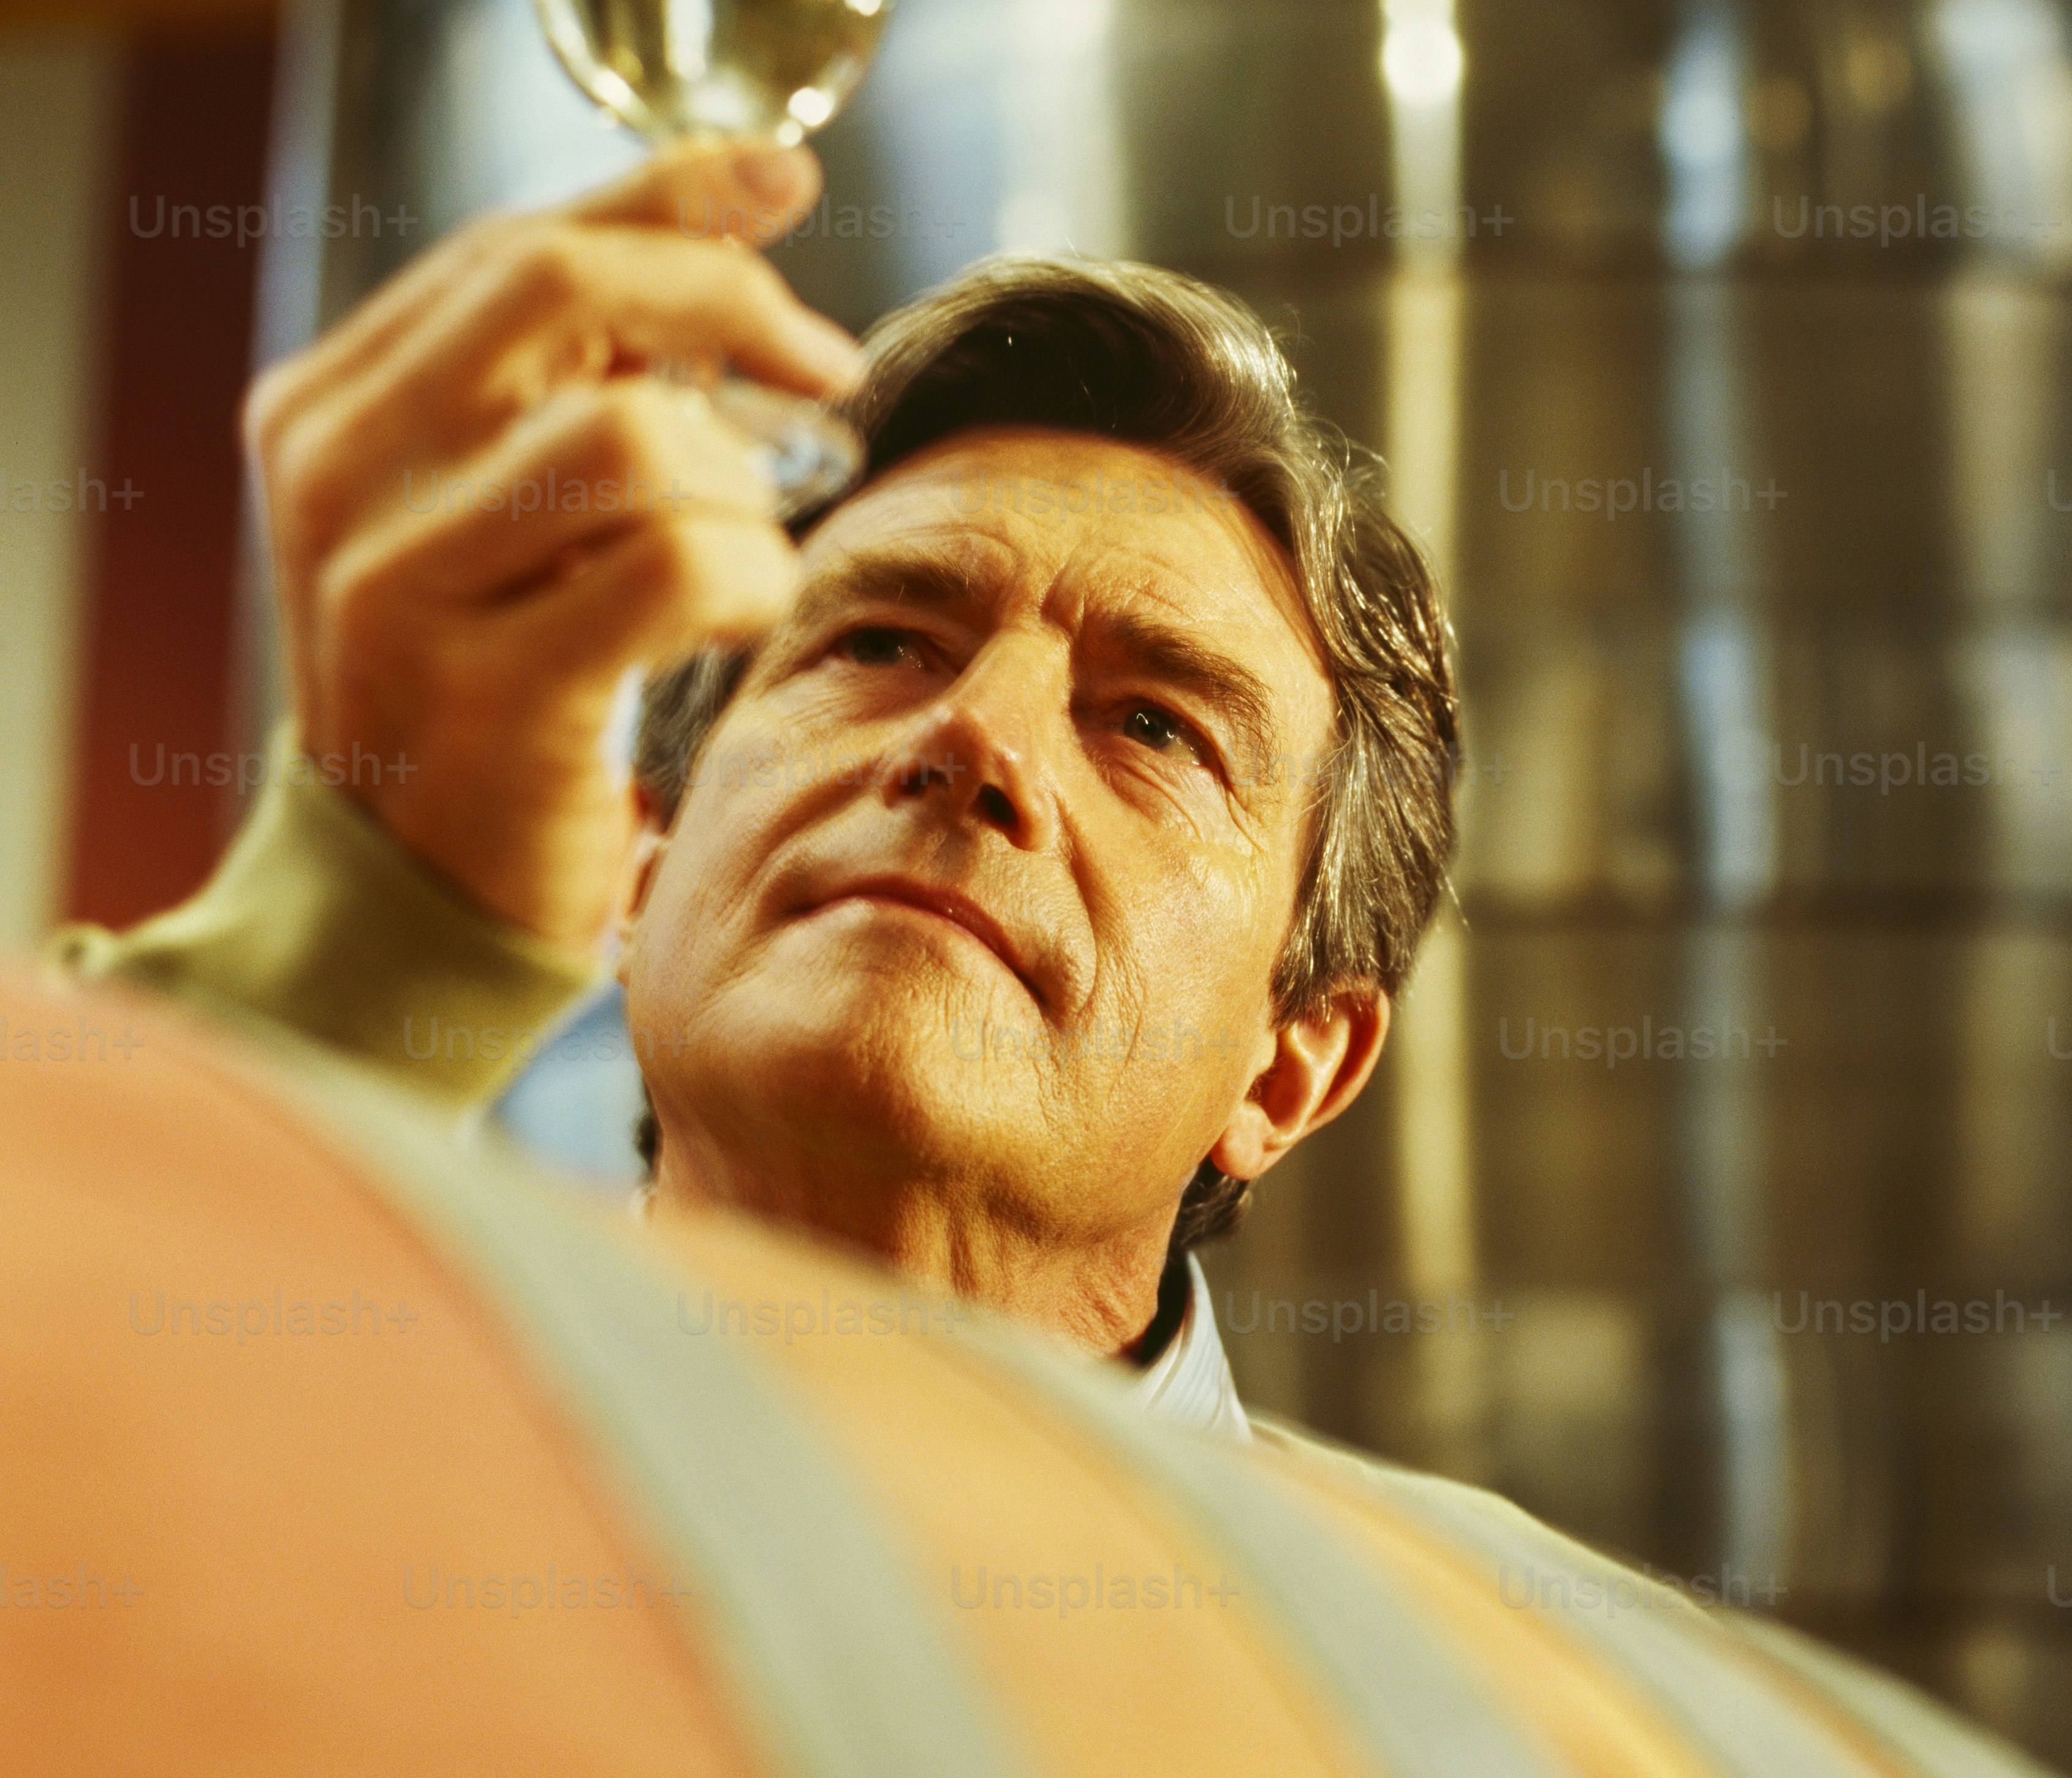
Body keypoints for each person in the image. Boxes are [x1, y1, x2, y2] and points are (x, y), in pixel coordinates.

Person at [50, 140, 1462, 1447]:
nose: (975, 736)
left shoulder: (1520, 1680)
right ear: (642, 874)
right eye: (878, 642)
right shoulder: (286, 1441)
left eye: (1154, 724)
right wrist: (350, 946)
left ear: (1289, 1062)